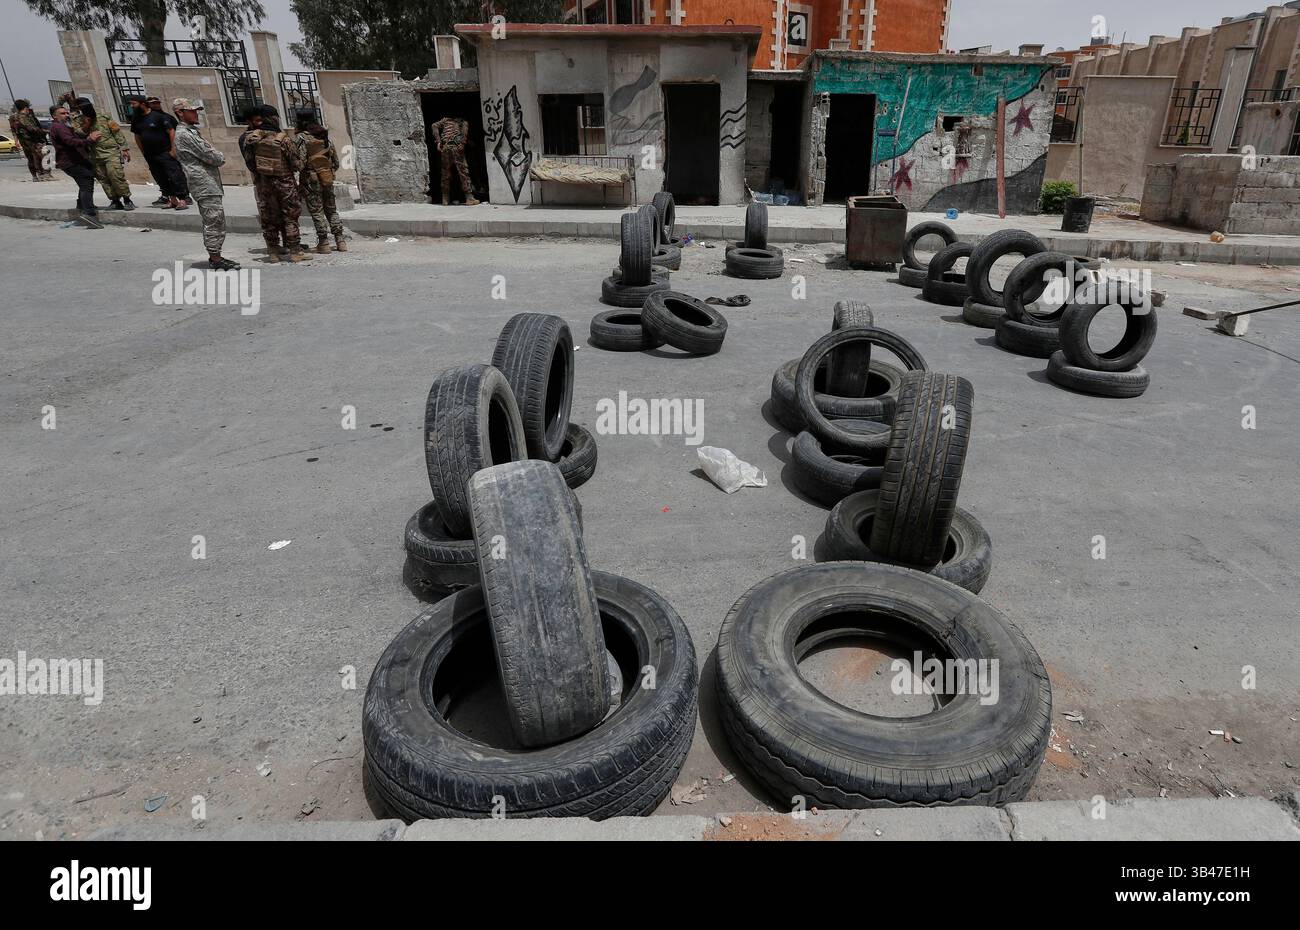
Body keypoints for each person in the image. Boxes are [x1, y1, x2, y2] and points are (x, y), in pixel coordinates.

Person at [171, 98, 240, 271]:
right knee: (213, 220)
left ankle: (216, 256)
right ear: (180, 112)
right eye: (192, 111)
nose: (196, 114)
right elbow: (215, 158)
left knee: (215, 219)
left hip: (207, 183)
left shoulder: (191, 132)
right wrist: (218, 155)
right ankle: (215, 259)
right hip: (203, 183)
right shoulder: (185, 134)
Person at [241, 106, 311, 263]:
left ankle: (273, 252)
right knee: (290, 217)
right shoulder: (283, 139)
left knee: (269, 217)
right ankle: (295, 251)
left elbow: (250, 164)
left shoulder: (251, 139)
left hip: (264, 185)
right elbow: (296, 164)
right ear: (274, 118)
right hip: (285, 184)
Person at [293, 119, 346, 253]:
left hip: (311, 181)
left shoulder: (301, 139)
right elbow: (336, 163)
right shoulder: (325, 138)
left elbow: (300, 163)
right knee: (331, 210)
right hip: (327, 178)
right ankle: (340, 241)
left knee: (317, 212)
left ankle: (324, 243)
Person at [48, 104, 101, 227]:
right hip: (70, 162)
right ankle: (89, 214)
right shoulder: (59, 127)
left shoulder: (64, 126)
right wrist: (89, 140)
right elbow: (70, 141)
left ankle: (82, 206)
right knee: (86, 182)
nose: (66, 115)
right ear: (54, 116)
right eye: (62, 113)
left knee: (84, 183)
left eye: (66, 113)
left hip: (74, 161)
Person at [133, 96, 189, 210]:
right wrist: (143, 152)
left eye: (133, 104)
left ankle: (183, 199)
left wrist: (173, 149)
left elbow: (171, 131)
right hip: (150, 155)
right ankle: (172, 200)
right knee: (160, 177)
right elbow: (137, 136)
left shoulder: (159, 117)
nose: (131, 106)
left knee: (174, 175)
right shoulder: (136, 119)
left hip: (165, 152)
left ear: (142, 104)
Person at [83, 104, 135, 210]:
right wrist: (87, 125)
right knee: (104, 179)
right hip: (95, 155)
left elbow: (116, 132)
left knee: (116, 176)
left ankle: (127, 200)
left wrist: (124, 148)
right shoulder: (80, 121)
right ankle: (115, 201)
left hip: (111, 153)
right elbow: (78, 134)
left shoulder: (104, 118)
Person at [429, 115, 479, 205]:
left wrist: (439, 141)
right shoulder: (462, 122)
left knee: (445, 173)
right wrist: (463, 143)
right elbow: (464, 132)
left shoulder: (445, 120)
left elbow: (434, 126)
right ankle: (469, 198)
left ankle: (445, 199)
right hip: (456, 148)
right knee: (463, 172)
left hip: (445, 148)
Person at [9, 99, 52, 181]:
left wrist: (16, 141)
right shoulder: (26, 117)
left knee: (30, 158)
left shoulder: (13, 117)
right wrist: (47, 131)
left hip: (23, 142)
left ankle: (34, 176)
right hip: (34, 140)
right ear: (26, 107)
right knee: (43, 155)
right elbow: (33, 129)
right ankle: (43, 174)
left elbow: (13, 130)